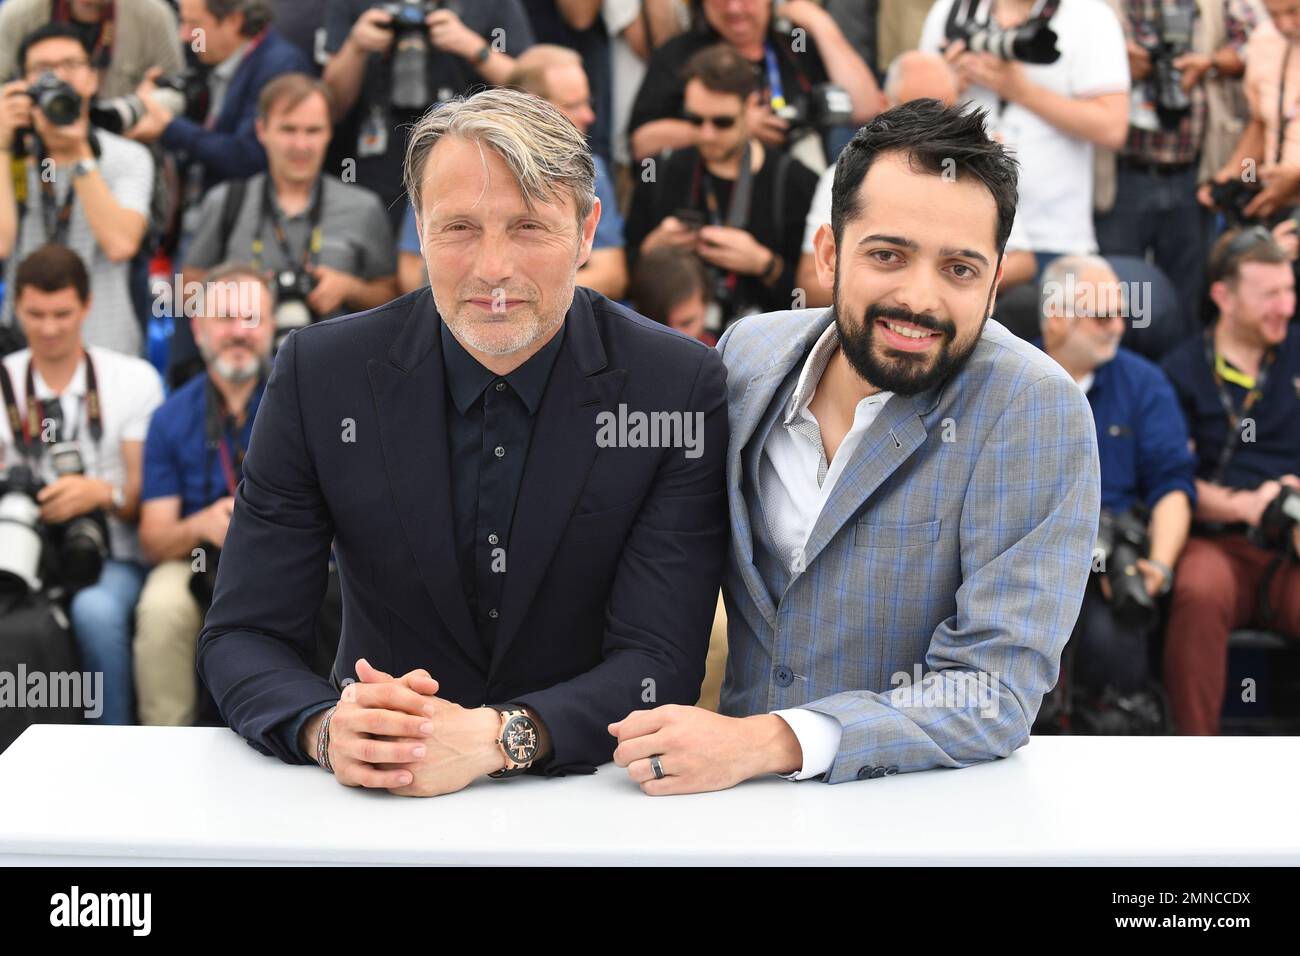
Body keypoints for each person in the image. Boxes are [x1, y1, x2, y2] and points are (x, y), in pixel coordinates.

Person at [197, 87, 728, 795]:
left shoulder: (676, 384)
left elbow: (660, 660)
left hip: (588, 796)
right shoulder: (319, 374)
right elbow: (243, 634)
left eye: (529, 227)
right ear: (418, 228)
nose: (493, 269)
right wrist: (326, 729)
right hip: (378, 793)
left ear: (587, 231)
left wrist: (498, 737)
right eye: (459, 228)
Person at [609, 99, 1100, 793]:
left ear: (995, 286)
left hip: (910, 814)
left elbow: (992, 689)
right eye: (888, 255)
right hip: (727, 806)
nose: (920, 298)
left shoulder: (1032, 408)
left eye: (960, 269)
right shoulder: (747, 355)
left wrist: (769, 742)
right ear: (829, 253)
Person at [0, 244, 163, 725]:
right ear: (15, 307)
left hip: (112, 554)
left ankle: (113, 744)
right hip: (20, 554)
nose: (49, 328)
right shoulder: (5, 381)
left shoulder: (132, 379)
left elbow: (144, 499)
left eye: (62, 314)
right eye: (35, 315)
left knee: (96, 613)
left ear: (87, 306)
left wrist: (101, 495)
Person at [1035, 255, 1195, 707]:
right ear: (1057, 315)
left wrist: (1158, 566)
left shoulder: (1145, 383)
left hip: (1112, 560)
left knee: (1116, 639)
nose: (1119, 327)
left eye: (1121, 314)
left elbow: (1172, 484)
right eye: (1103, 316)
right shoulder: (1003, 375)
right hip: (1026, 556)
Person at [1160, 227, 1300, 734]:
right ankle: (1197, 751)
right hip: (1218, 542)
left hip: (1290, 546)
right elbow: (1171, 480)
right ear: (1224, 296)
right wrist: (1248, 505)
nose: (1286, 307)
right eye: (1270, 295)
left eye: (1290, 291)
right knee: (1199, 592)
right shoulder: (1181, 370)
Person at [135, 262, 275, 726]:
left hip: (285, 556)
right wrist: (202, 524)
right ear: (198, 329)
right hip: (196, 559)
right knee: (161, 609)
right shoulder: (170, 417)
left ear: (272, 326)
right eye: (225, 318)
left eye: (252, 318)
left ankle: (310, 735)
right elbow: (154, 540)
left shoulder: (304, 402)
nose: (239, 332)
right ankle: (167, 744)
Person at [794, 49, 1036, 308]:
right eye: (885, 255)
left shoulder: (976, 179)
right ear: (884, 103)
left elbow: (1023, 261)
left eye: (946, 111)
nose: (918, 301)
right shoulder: (850, 174)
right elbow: (810, 284)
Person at [920, 0, 1130, 272]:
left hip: (1053, 238)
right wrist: (946, 86)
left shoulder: (1089, 14)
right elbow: (911, 113)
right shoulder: (951, 10)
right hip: (959, 231)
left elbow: (1112, 127)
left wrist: (1020, 91)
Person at [182, 73, 398, 327]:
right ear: (261, 130)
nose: (301, 144)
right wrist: (239, 295)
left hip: (334, 348)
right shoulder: (226, 201)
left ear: (329, 132)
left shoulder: (364, 208)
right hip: (247, 345)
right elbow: (188, 290)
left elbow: (393, 297)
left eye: (313, 131)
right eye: (288, 129)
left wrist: (349, 289)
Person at [625, 43, 819, 325]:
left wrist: (765, 265)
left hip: (763, 341)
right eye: (695, 120)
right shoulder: (662, 172)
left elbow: (813, 303)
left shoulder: (794, 182)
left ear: (752, 107)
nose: (706, 135)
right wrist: (651, 250)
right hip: (671, 340)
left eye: (722, 122)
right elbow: (625, 278)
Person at [0, 23, 155, 356]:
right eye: (43, 69)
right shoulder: (9, 156)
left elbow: (120, 243)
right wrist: (2, 148)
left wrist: (79, 154)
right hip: (23, 349)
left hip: (108, 349)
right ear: (22, 84)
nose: (58, 77)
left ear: (92, 78)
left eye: (70, 65)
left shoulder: (128, 156)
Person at [321, 0, 534, 231]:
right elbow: (331, 107)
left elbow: (532, 95)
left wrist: (475, 49)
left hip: (471, 164)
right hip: (376, 166)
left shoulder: (493, 5)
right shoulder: (353, 4)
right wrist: (355, 48)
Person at [628, 0, 882, 169]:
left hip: (792, 196)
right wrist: (730, 127)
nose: (734, 8)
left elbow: (865, 108)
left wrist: (821, 24)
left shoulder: (794, 46)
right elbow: (642, 143)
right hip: (708, 198)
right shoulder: (679, 53)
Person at [124, 0, 312, 227]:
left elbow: (249, 158)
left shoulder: (279, 68)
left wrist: (169, 126)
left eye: (194, 25)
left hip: (243, 224)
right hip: (199, 213)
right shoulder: (206, 53)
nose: (185, 35)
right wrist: (162, 98)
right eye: (182, 22)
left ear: (234, 21)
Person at [508, 44, 627, 299]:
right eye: (573, 105)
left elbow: (611, 275)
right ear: (533, 108)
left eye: (588, 102)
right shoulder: (472, 166)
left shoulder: (590, 171)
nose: (589, 116)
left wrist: (522, 294)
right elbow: (419, 270)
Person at [1200, 0, 1300, 222]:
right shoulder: (1264, 40)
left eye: (1294, 11)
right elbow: (1261, 125)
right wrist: (1237, 177)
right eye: (1273, 15)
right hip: (1277, 206)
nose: (1284, 25)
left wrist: (1295, 179)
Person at [0, 0, 185, 102]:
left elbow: (178, 89)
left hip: (125, 139)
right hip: (36, 140)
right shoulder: (17, 14)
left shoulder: (153, 16)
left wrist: (144, 106)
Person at [628, 245, 717, 344]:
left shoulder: (720, 349)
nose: (676, 338)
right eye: (660, 325)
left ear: (706, 305)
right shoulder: (622, 346)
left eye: (686, 323)